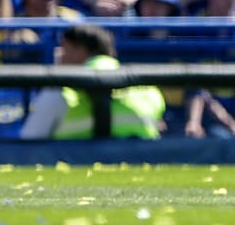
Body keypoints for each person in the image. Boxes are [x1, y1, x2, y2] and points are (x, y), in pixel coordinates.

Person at [19, 22, 166, 139]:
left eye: (64, 47)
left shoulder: (58, 91)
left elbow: (30, 141)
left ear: (81, 50)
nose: (58, 54)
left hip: (76, 166)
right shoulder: (148, 89)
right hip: (142, 166)